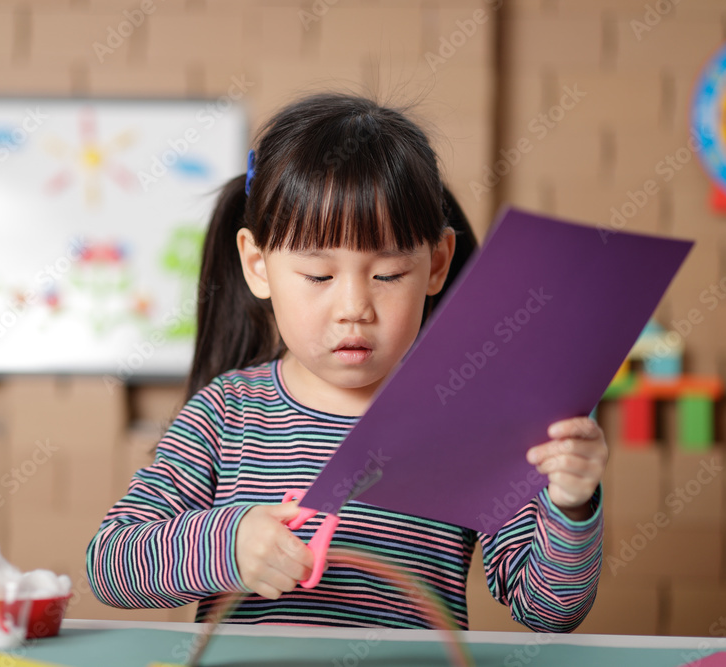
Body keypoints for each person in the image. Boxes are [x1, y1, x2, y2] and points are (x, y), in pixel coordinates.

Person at [86, 92, 606, 630]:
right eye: (318, 276)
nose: (354, 309)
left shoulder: (465, 423)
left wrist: (570, 503)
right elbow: (110, 563)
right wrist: (228, 544)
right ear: (257, 264)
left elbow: (549, 609)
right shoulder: (227, 414)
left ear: (437, 264)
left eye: (387, 275)